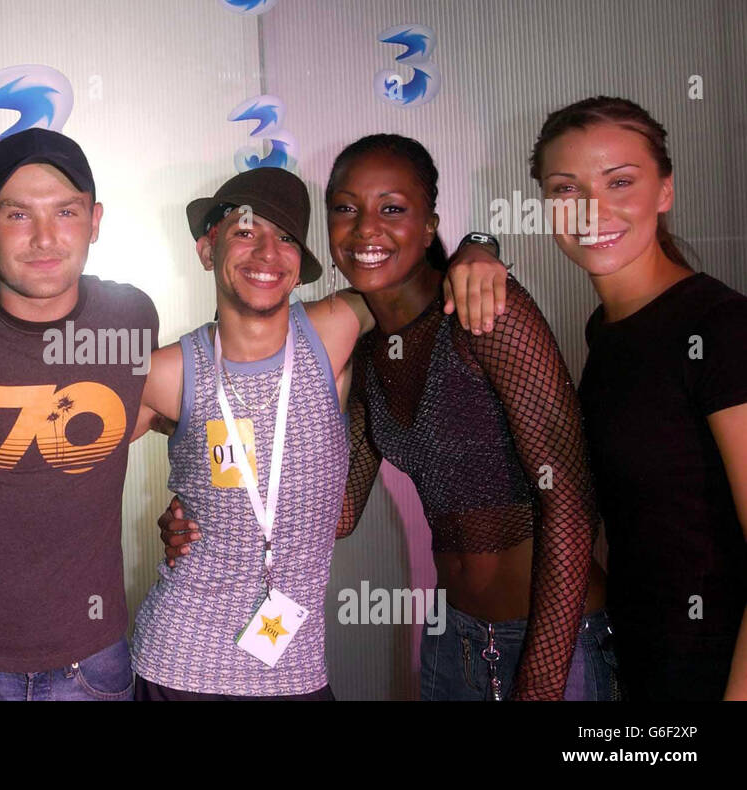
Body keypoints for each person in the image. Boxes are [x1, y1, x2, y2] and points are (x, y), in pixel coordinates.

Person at [131, 167, 509, 699]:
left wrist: (478, 245)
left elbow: (421, 276)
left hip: (296, 668)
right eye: (244, 232)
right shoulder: (166, 372)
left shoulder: (336, 326)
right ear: (206, 247)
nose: (266, 253)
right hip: (179, 664)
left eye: (285, 237)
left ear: (300, 262)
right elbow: (62, 464)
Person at [330, 134, 609, 701]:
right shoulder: (365, 349)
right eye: (345, 208)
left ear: (429, 226)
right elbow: (339, 512)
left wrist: (543, 677)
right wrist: (210, 498)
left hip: (552, 642)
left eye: (392, 208)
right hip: (452, 640)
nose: (365, 228)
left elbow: (571, 497)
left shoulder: (485, 312)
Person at [529, 97, 747, 700]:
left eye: (620, 181)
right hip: (641, 664)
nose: (592, 209)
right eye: (566, 187)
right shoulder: (607, 330)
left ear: (665, 191)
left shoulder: (721, 327)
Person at [0, 129, 158, 700]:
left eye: (66, 212)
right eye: (17, 215)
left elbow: (189, 395)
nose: (44, 238)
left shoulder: (130, 317)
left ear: (95, 219)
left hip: (95, 660)